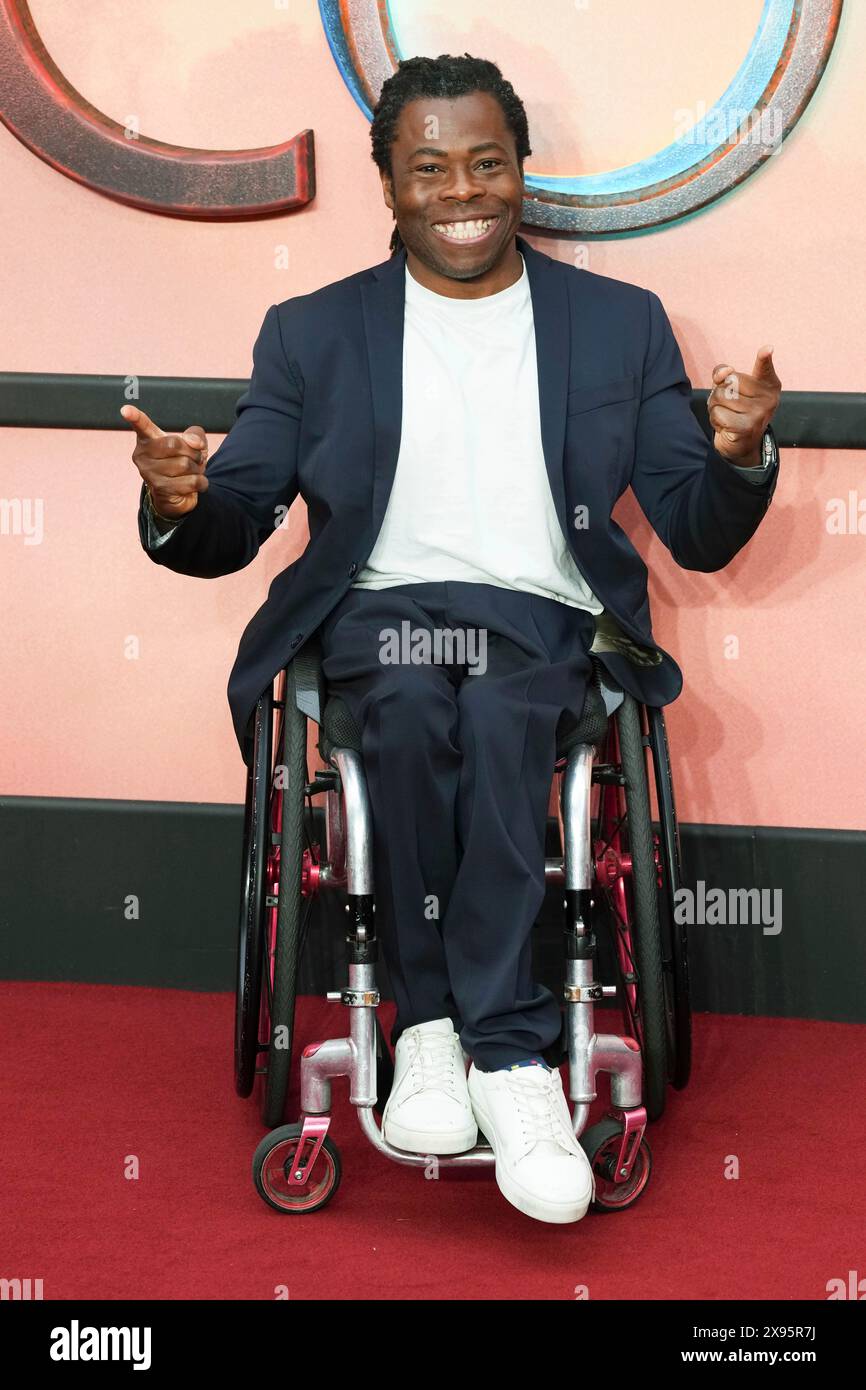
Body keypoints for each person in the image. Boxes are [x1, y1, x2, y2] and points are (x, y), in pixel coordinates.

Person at [124, 55, 781, 1225]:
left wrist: (733, 458)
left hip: (538, 618)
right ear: (388, 184)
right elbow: (241, 515)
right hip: (382, 617)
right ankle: (449, 1035)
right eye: (428, 167)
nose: (461, 188)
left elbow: (693, 526)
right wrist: (182, 504)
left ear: (520, 170)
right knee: (425, 698)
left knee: (496, 701)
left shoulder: (616, 327)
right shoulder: (313, 333)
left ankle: (497, 1054)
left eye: (486, 162)